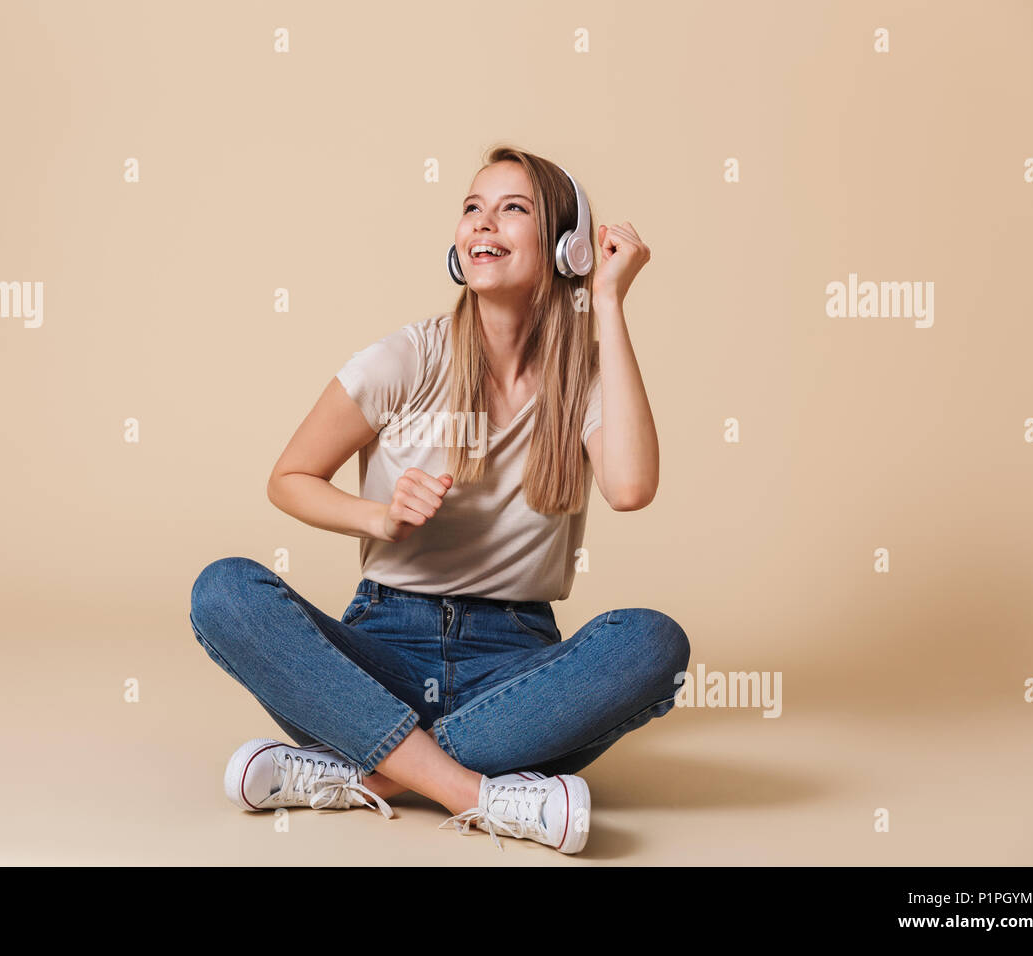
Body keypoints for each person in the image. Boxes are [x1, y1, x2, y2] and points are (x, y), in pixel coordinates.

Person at [189, 145, 689, 854]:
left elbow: (632, 488)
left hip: (514, 672)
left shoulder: (584, 378)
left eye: (513, 209)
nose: (483, 224)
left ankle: (366, 771)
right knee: (224, 591)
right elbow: (289, 477)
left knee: (655, 642)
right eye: (471, 208)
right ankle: (479, 794)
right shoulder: (408, 356)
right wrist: (378, 516)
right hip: (379, 650)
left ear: (567, 246)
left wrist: (605, 299)